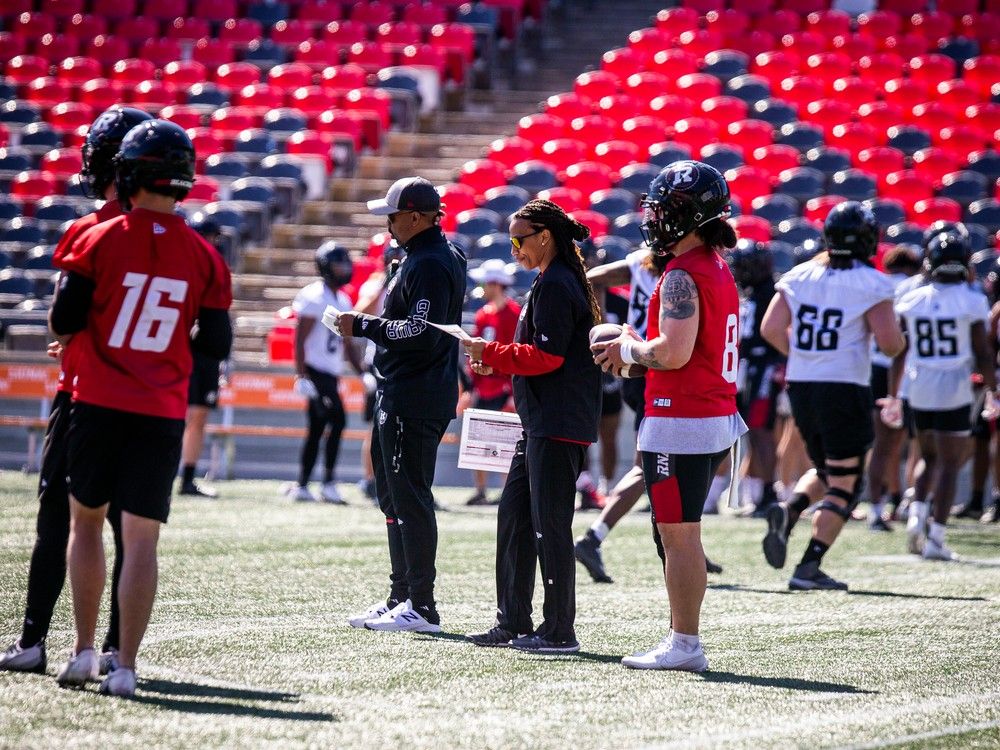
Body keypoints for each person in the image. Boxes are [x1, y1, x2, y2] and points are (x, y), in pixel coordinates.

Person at [50, 119, 232, 697]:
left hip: (97, 399)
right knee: (142, 540)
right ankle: (124, 666)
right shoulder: (205, 253)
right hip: (161, 408)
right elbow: (216, 345)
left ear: (126, 173)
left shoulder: (95, 236)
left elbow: (64, 319)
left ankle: (83, 652)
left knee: (85, 524)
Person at [0, 106, 153, 677]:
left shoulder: (93, 229)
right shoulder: (178, 236)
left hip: (86, 392)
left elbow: (63, 321)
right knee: (129, 530)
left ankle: (35, 639)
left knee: (58, 521)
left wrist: (72, 338)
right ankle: (116, 650)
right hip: (147, 402)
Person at [592, 161, 746, 671]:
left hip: (682, 416)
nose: (653, 217)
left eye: (664, 208)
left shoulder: (684, 272)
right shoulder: (713, 263)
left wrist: (629, 350)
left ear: (687, 213)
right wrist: (637, 352)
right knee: (681, 534)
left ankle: (685, 645)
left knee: (678, 536)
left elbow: (675, 353)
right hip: (707, 412)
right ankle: (683, 640)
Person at [463, 198, 601, 653]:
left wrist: (492, 353)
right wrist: (497, 363)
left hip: (558, 423)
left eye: (520, 240)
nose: (514, 249)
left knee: (550, 526)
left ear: (545, 236)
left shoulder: (559, 284)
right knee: (516, 520)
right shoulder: (548, 281)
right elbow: (535, 357)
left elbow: (548, 357)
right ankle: (514, 622)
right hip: (540, 422)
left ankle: (560, 630)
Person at [334, 176, 466, 633]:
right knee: (393, 495)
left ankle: (422, 605)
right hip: (403, 389)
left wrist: (363, 326)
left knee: (410, 496)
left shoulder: (429, 261)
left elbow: (419, 331)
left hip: (416, 392)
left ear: (415, 217)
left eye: (392, 216)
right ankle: (401, 594)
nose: (387, 224)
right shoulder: (423, 256)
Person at [760, 201, 904, 591]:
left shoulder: (801, 273)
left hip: (803, 385)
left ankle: (789, 512)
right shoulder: (871, 282)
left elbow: (771, 328)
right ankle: (809, 566)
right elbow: (890, 345)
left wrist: (806, 356)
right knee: (846, 481)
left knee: (828, 469)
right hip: (844, 387)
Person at [885, 228, 995, 560]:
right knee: (949, 463)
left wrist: (893, 395)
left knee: (927, 457)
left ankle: (917, 516)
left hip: (918, 387)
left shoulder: (912, 298)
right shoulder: (973, 300)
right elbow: (982, 353)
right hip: (953, 388)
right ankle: (936, 537)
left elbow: (899, 353)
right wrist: (995, 388)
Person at [573, 244, 664, 583]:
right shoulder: (672, 268)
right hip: (650, 368)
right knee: (648, 467)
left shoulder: (642, 263)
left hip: (642, 366)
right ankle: (593, 537)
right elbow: (591, 277)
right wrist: (600, 324)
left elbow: (593, 276)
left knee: (669, 466)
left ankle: (682, 545)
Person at [289, 241, 363, 504]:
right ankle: (324, 483)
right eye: (337, 264)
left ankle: (304, 484)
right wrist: (301, 375)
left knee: (319, 427)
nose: (343, 269)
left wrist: (361, 372)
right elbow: (299, 339)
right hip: (315, 372)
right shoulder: (314, 296)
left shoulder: (342, 298)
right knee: (336, 421)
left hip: (330, 374)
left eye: (345, 263)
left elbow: (346, 343)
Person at [863, 243, 922, 530]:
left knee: (882, 445)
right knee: (915, 445)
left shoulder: (879, 284)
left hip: (875, 368)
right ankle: (912, 506)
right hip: (906, 370)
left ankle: (878, 507)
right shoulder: (914, 287)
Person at [727, 239, 783, 517]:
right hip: (748, 368)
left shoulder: (772, 293)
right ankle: (758, 491)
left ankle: (770, 492)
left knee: (762, 431)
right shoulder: (751, 293)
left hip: (764, 367)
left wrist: (780, 363)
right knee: (752, 431)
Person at [178, 216, 228, 499]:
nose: (213, 243)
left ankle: (187, 476)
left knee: (198, 416)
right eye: (210, 236)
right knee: (182, 415)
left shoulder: (214, 267)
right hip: (188, 353)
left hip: (207, 356)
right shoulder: (188, 267)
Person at [465, 258, 520, 506]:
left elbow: (517, 352)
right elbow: (473, 353)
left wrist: (512, 391)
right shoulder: (482, 315)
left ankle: (507, 489)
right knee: (479, 442)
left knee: (505, 443)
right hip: (484, 387)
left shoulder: (514, 314)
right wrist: (472, 386)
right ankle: (481, 489)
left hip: (503, 387)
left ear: (496, 284)